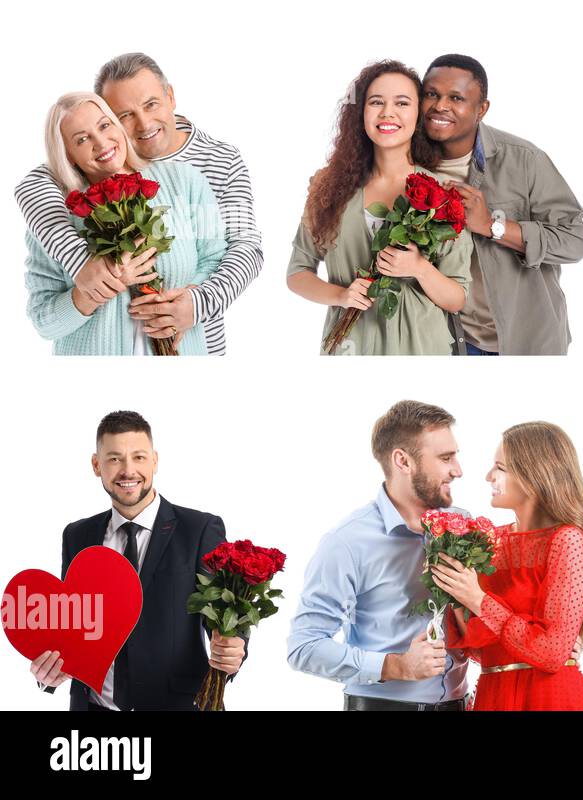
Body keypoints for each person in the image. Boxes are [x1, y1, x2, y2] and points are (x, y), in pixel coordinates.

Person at [15, 53, 262, 355]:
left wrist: (195, 304)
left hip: (201, 342)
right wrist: (88, 277)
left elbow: (245, 248)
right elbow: (33, 182)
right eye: (124, 115)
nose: (143, 124)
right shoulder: (59, 203)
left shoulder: (214, 165)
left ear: (170, 96)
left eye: (151, 104)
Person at [30, 411, 246, 710]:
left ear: (155, 460)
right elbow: (71, 626)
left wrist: (235, 648)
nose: (128, 471)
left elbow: (224, 617)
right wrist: (47, 674)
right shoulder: (77, 535)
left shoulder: (199, 530)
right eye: (115, 458)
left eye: (139, 457)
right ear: (97, 465)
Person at [287, 401, 468, 710]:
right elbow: (303, 647)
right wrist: (395, 666)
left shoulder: (464, 528)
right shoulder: (347, 542)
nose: (458, 470)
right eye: (445, 458)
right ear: (403, 461)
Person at [287, 61, 471, 355]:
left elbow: (457, 298)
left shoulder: (442, 195)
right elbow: (297, 273)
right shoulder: (329, 189)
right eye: (376, 102)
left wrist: (419, 268)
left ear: (418, 115)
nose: (388, 112)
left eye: (402, 102)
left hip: (423, 350)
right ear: (360, 113)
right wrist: (342, 295)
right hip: (349, 348)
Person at [420, 54, 583, 355]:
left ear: (481, 109)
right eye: (431, 94)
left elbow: (574, 241)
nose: (440, 106)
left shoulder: (524, 159)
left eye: (456, 97)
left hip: (525, 342)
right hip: (446, 340)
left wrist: (492, 226)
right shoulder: (405, 163)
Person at [436, 422, 583, 710]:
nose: (488, 476)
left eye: (500, 467)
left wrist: (478, 600)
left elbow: (551, 654)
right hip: (494, 694)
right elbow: (484, 651)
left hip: (549, 698)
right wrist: (456, 598)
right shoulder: (490, 542)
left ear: (534, 476)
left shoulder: (566, 540)